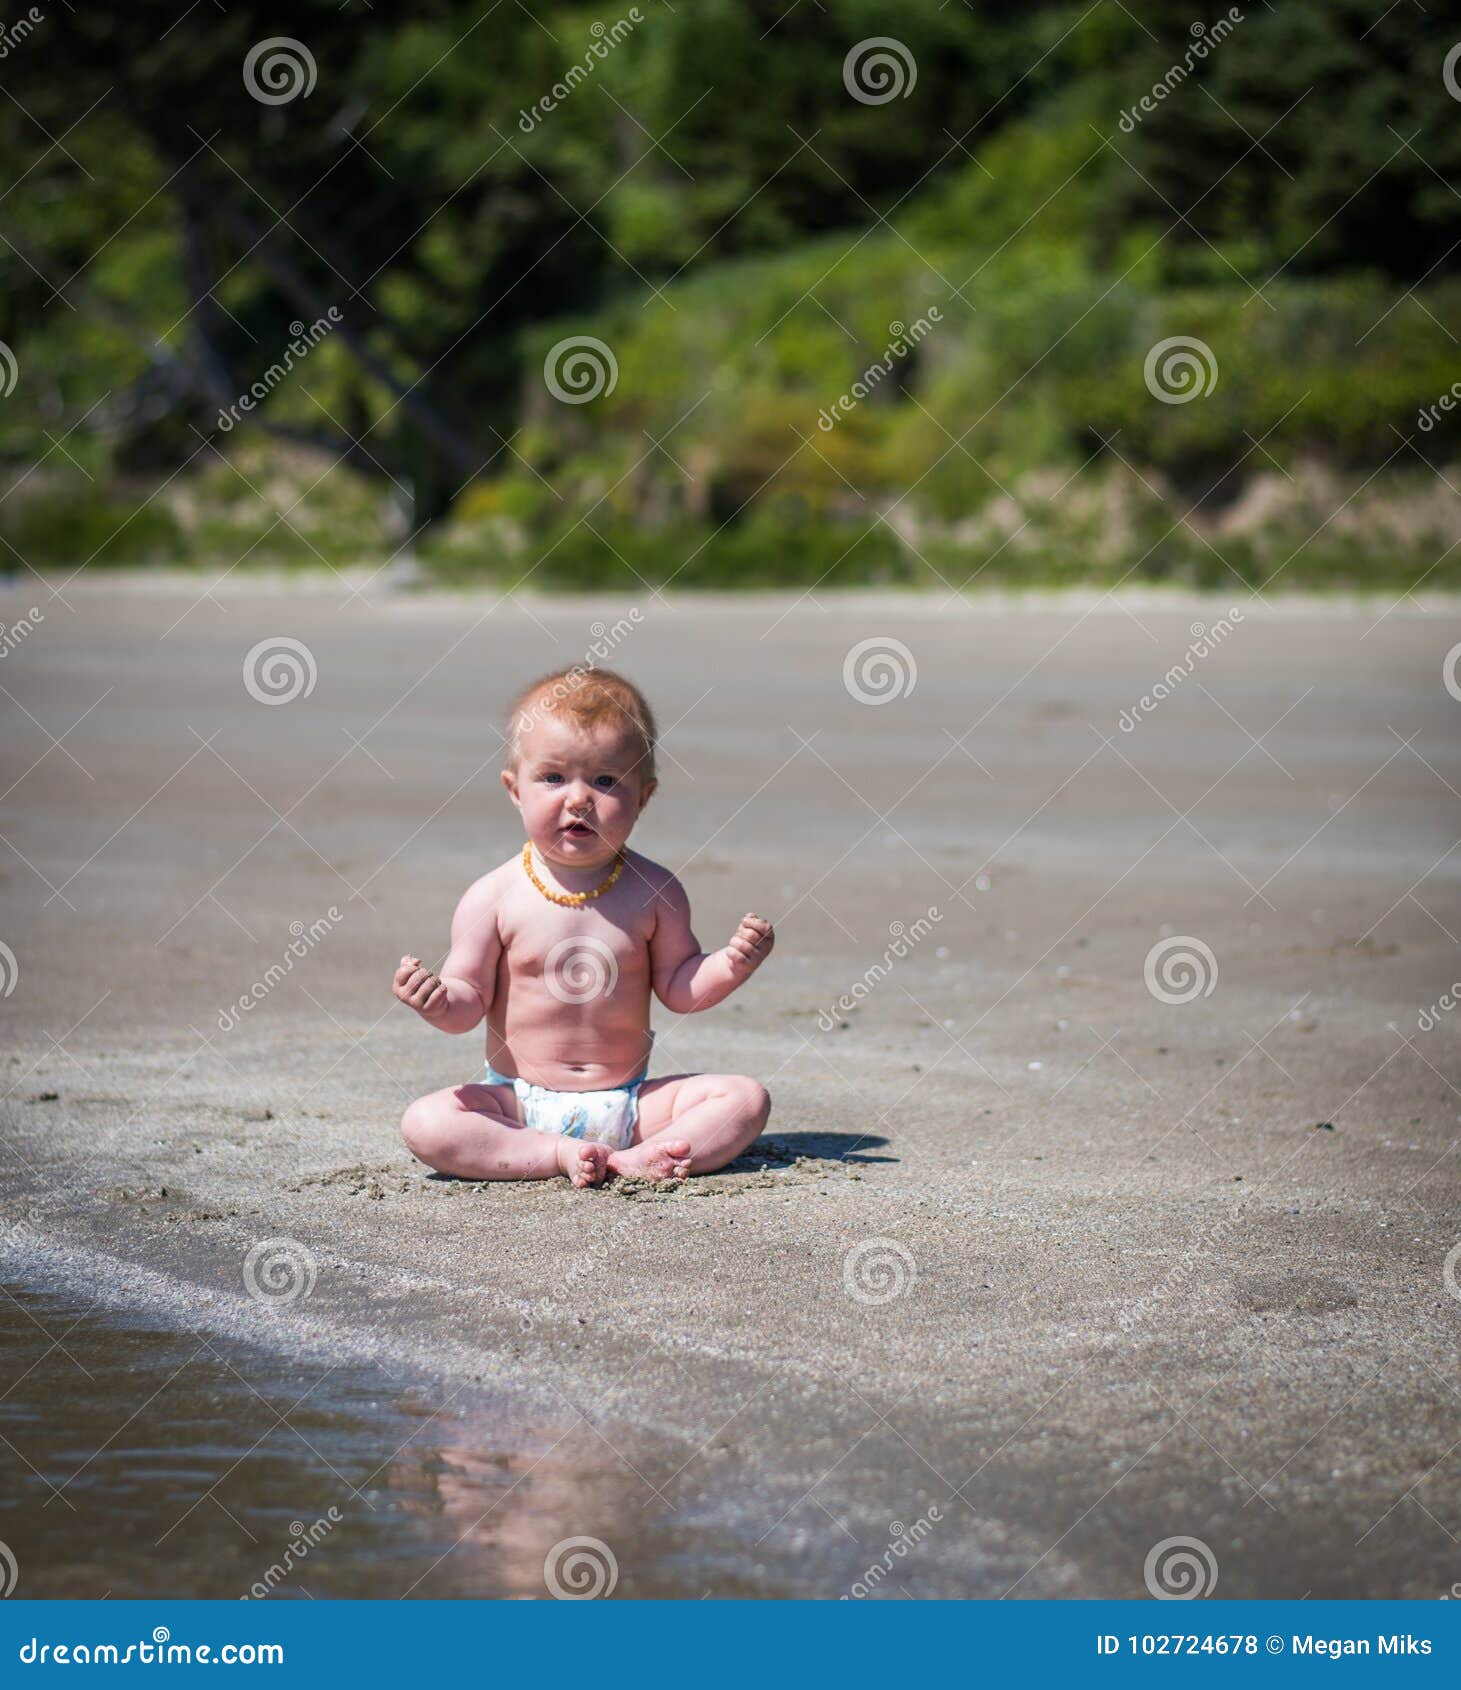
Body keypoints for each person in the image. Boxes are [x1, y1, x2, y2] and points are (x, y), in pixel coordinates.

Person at [395, 666, 773, 1187]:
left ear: (643, 796)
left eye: (605, 781)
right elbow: (468, 1004)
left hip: (632, 1106)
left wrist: (729, 965)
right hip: (517, 1103)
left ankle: (636, 1156)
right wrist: (437, 1000)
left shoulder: (654, 892)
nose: (578, 799)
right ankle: (555, 1153)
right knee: (427, 1123)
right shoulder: (494, 896)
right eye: (553, 778)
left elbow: (681, 988)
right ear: (514, 789)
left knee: (744, 1100)